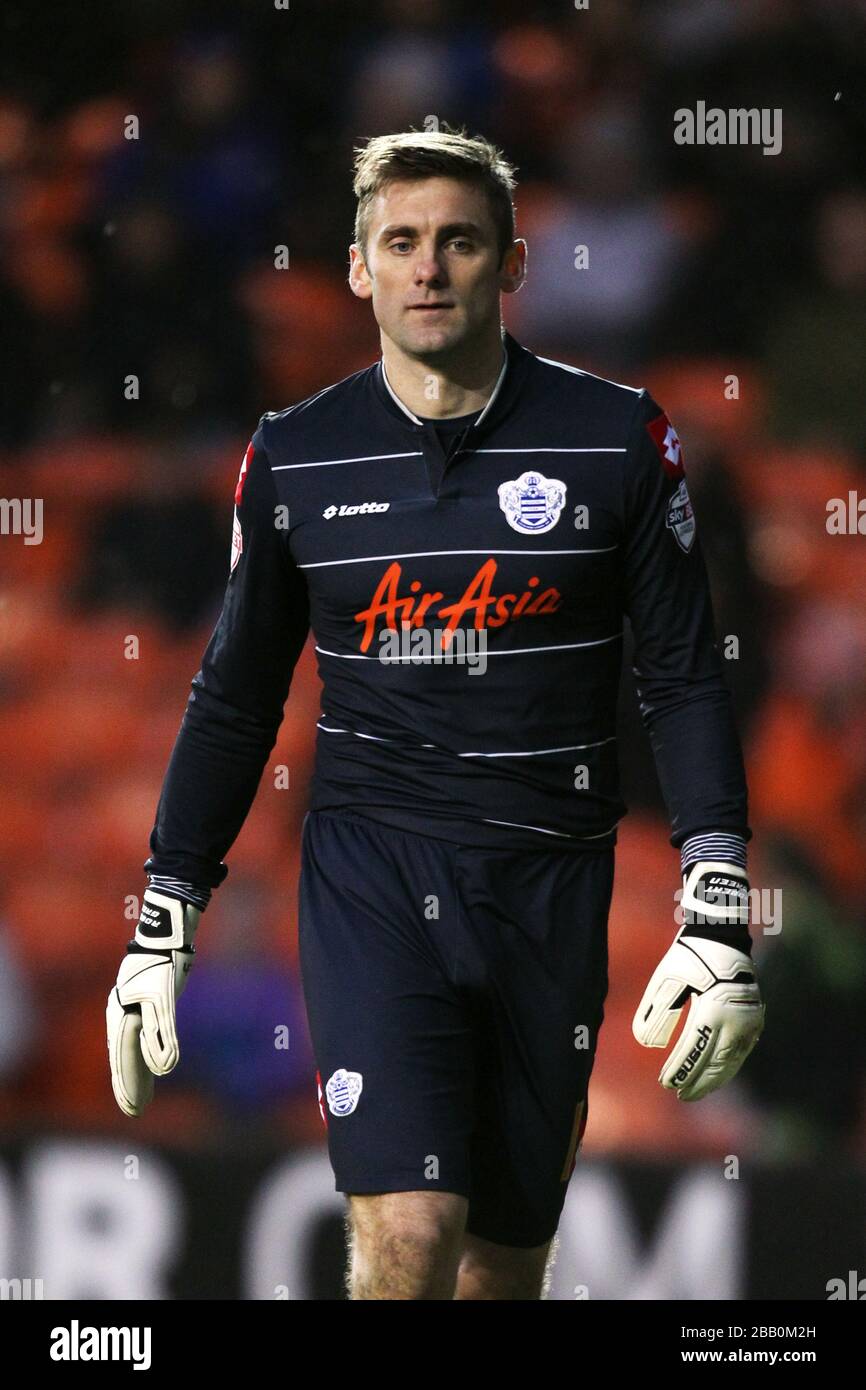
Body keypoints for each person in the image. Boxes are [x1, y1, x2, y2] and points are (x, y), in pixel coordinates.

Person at [106, 127, 764, 1300]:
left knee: (501, 1266)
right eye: (398, 242)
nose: (427, 268)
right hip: (373, 869)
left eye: (458, 241)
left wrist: (715, 893)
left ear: (510, 264)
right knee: (407, 1231)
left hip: (549, 873)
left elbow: (680, 671)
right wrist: (167, 910)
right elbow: (235, 694)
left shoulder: (617, 438)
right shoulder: (296, 455)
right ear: (357, 269)